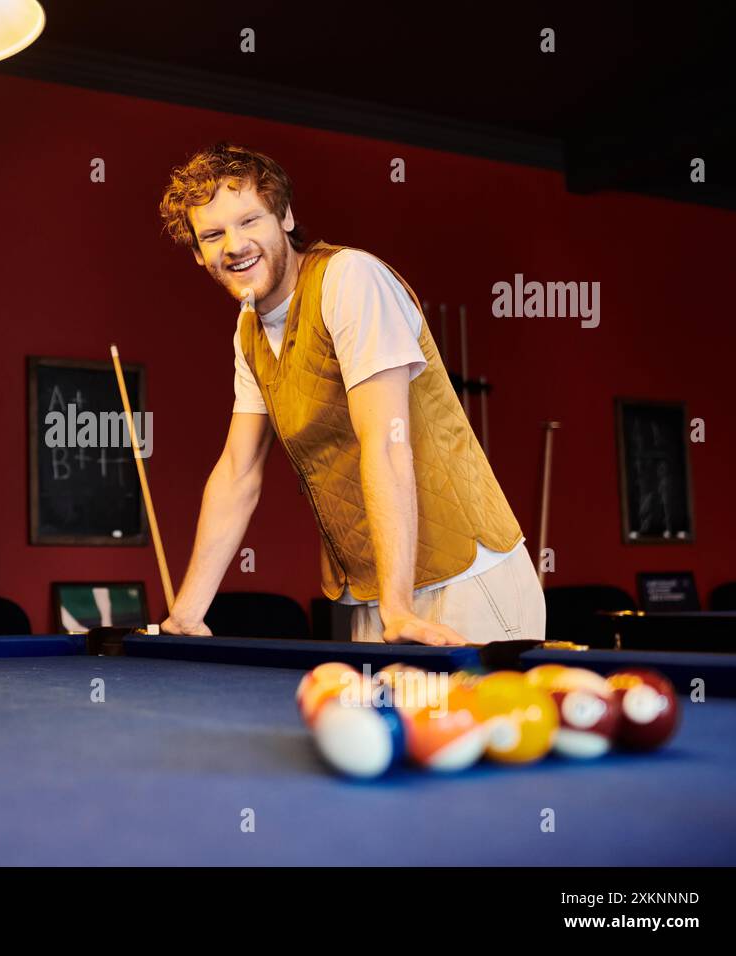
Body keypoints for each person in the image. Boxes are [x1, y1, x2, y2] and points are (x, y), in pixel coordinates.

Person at [155, 143, 543, 645]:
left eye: (249, 221)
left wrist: (399, 609)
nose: (234, 245)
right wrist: (187, 614)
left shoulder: (349, 278)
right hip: (377, 595)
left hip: (464, 585)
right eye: (213, 234)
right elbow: (238, 473)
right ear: (198, 253)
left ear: (285, 217)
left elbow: (386, 441)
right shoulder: (248, 329)